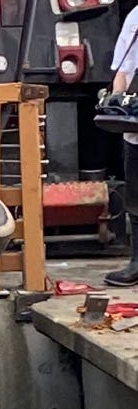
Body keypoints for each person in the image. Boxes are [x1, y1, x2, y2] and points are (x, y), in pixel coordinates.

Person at [108, 7, 138, 286]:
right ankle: (137, 263)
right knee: (136, 199)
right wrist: (117, 102)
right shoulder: (135, 17)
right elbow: (124, 68)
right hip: (136, 129)